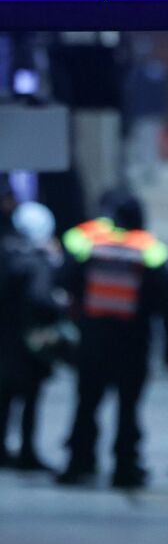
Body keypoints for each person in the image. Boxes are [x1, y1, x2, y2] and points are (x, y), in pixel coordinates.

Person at [57, 188, 168, 489]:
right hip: (133, 340)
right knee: (128, 409)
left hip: (93, 338)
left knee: (86, 404)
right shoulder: (149, 248)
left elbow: (64, 277)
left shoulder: (86, 239)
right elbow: (164, 297)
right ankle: (125, 467)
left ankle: (79, 462)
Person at [0, 190, 62, 471]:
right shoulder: (37, 261)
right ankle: (27, 452)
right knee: (30, 400)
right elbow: (42, 300)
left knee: (4, 399)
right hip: (30, 344)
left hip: (4, 342)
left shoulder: (5, 253)